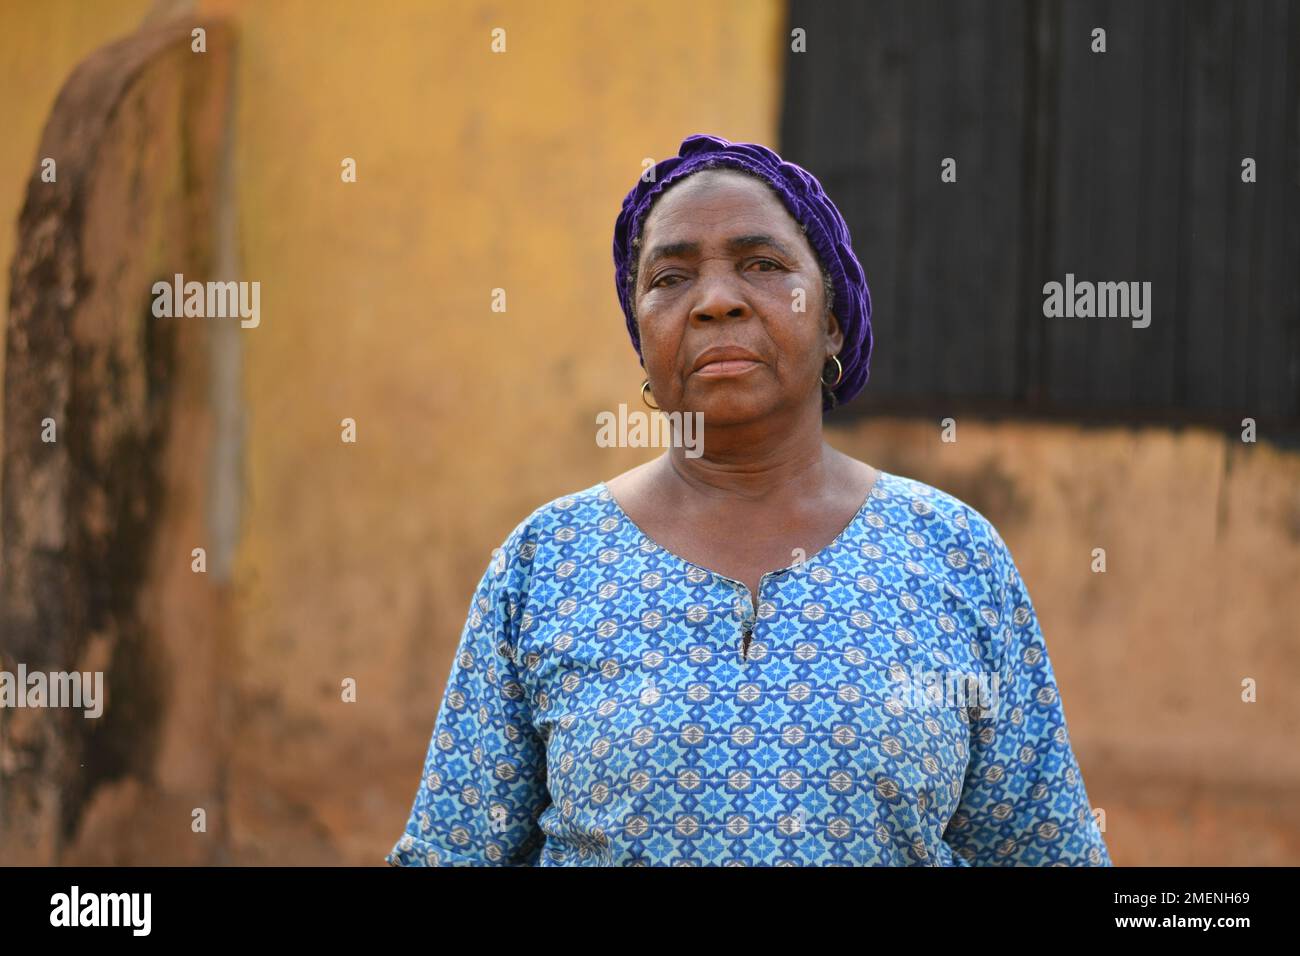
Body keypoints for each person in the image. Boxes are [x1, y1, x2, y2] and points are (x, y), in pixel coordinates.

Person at [386, 133, 1112, 866]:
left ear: (831, 320)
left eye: (762, 265)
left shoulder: (953, 553)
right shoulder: (546, 564)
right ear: (642, 334)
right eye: (669, 278)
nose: (716, 301)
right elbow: (451, 851)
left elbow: (1041, 849)